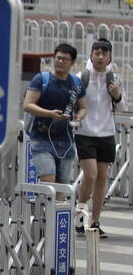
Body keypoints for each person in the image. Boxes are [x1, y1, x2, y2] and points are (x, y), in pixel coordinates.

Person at [75, 38, 123, 237]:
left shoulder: (113, 79)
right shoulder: (81, 77)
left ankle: (94, 221)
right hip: (85, 132)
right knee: (91, 174)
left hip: (106, 133)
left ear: (110, 56)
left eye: (104, 53)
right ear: (91, 54)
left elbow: (122, 108)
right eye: (97, 53)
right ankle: (79, 214)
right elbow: (73, 102)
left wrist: (117, 95)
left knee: (102, 177)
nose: (101, 57)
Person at [24, 42, 87, 186]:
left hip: (66, 141)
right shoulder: (41, 79)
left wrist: (79, 116)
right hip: (41, 138)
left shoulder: (76, 83)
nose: (60, 61)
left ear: (72, 62)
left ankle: (53, 209)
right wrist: (49, 114)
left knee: (62, 187)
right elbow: (27, 105)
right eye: (58, 58)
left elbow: (83, 107)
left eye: (64, 59)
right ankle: (45, 208)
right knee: (49, 181)